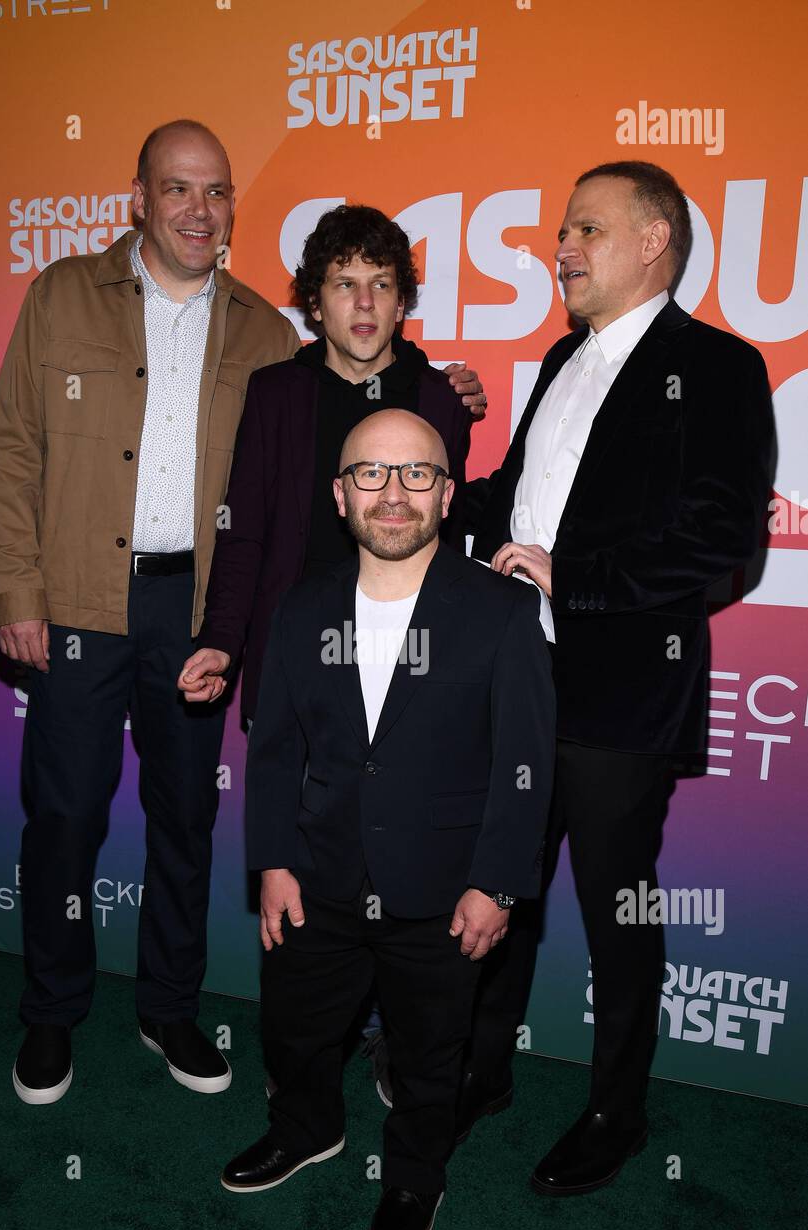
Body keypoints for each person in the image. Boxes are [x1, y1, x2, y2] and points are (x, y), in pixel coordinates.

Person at [462, 161, 774, 1194]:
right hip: (521, 675)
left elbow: (727, 533)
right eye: (560, 227)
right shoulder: (558, 356)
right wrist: (417, 499)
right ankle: (482, 1067)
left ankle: (615, 1111)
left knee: (617, 911)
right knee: (503, 878)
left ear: (653, 241)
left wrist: (580, 578)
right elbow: (510, 497)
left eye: (585, 227)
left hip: (625, 693)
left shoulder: (718, 367)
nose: (561, 245)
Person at [0, 119, 300, 1104]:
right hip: (77, 596)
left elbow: (298, 469)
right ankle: (52, 1011)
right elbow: (13, 450)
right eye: (178, 190)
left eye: (217, 192)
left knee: (187, 816)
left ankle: (169, 1005)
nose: (200, 211)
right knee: (66, 816)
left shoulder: (264, 329)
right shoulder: (62, 293)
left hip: (196, 609)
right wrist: (17, 592)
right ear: (139, 197)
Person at [219, 409, 555, 1230]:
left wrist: (497, 883)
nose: (394, 493)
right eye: (371, 474)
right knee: (293, 1025)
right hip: (319, 870)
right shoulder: (300, 607)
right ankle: (304, 1129)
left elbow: (527, 764)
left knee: (428, 1053)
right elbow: (273, 753)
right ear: (340, 494)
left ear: (446, 494)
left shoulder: (501, 611)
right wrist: (272, 862)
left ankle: (413, 1178)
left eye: (416, 475)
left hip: (445, 887)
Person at [178, 203, 487, 1103]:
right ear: (314, 301)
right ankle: (307, 1070)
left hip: (417, 676)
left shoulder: (435, 398)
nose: (362, 303)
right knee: (309, 871)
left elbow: (454, 535)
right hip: (302, 671)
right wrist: (221, 644)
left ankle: (398, 1040)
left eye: (381, 285)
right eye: (344, 284)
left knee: (410, 860)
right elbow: (243, 535)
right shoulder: (275, 393)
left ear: (402, 301)